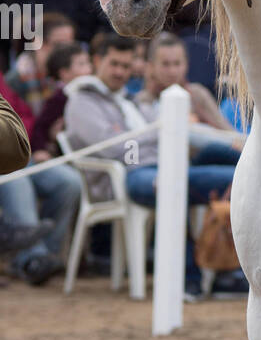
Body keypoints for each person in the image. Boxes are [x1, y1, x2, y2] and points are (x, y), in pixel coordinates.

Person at [63, 34, 244, 298]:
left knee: (229, 156)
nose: (120, 72)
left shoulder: (129, 100)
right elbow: (115, 148)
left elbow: (176, 133)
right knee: (224, 179)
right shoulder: (82, 102)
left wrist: (239, 142)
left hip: (163, 165)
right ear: (97, 61)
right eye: (114, 64)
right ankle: (199, 278)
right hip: (131, 177)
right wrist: (160, 128)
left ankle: (212, 275)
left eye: (126, 66)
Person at [0, 71, 81, 285]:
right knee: (17, 178)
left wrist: (40, 145)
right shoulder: (21, 74)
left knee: (68, 182)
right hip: (12, 154)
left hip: (31, 148)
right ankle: (32, 258)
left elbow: (25, 116)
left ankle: (46, 257)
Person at [5, 12, 77, 115]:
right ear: (36, 42)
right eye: (58, 44)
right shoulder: (15, 80)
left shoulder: (77, 74)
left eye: (69, 45)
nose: (65, 51)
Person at [30, 41, 92, 158]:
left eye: (88, 62)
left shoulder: (90, 91)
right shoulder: (59, 98)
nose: (89, 69)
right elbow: (41, 126)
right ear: (64, 73)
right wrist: (40, 149)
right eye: (82, 64)